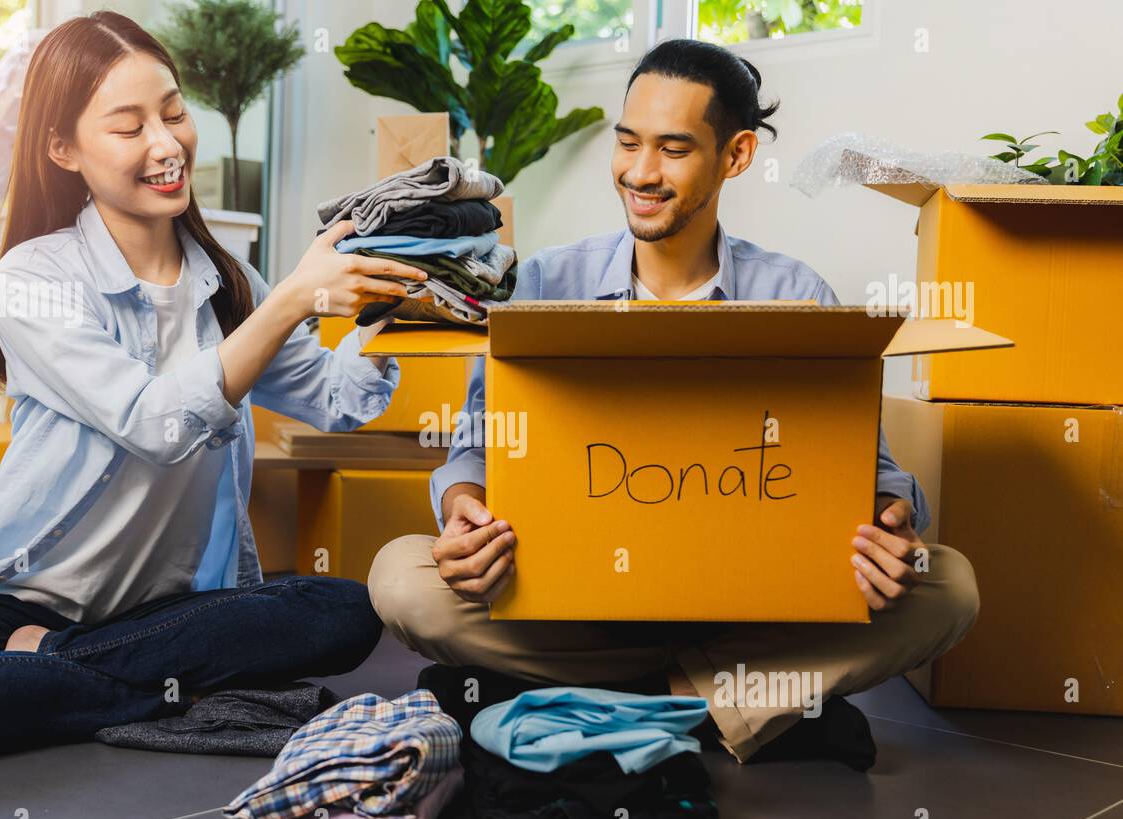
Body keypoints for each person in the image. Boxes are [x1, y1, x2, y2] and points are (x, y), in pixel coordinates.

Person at [0, 11, 428, 755]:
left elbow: (336, 401)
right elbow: (156, 426)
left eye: (174, 112)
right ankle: (169, 686)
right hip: (19, 596)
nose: (166, 143)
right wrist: (289, 301)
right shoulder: (34, 279)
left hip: (163, 613)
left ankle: (56, 668)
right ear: (62, 147)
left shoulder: (229, 283)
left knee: (344, 610)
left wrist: (391, 314)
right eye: (128, 126)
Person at [368, 39, 980, 768]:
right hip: (577, 604)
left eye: (673, 148)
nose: (640, 172)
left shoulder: (797, 297)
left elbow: (869, 464)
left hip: (746, 603)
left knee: (946, 586)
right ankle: (724, 703)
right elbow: (476, 442)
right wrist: (464, 507)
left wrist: (892, 517)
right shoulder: (541, 284)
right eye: (627, 143)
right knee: (401, 579)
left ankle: (616, 703)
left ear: (737, 154)